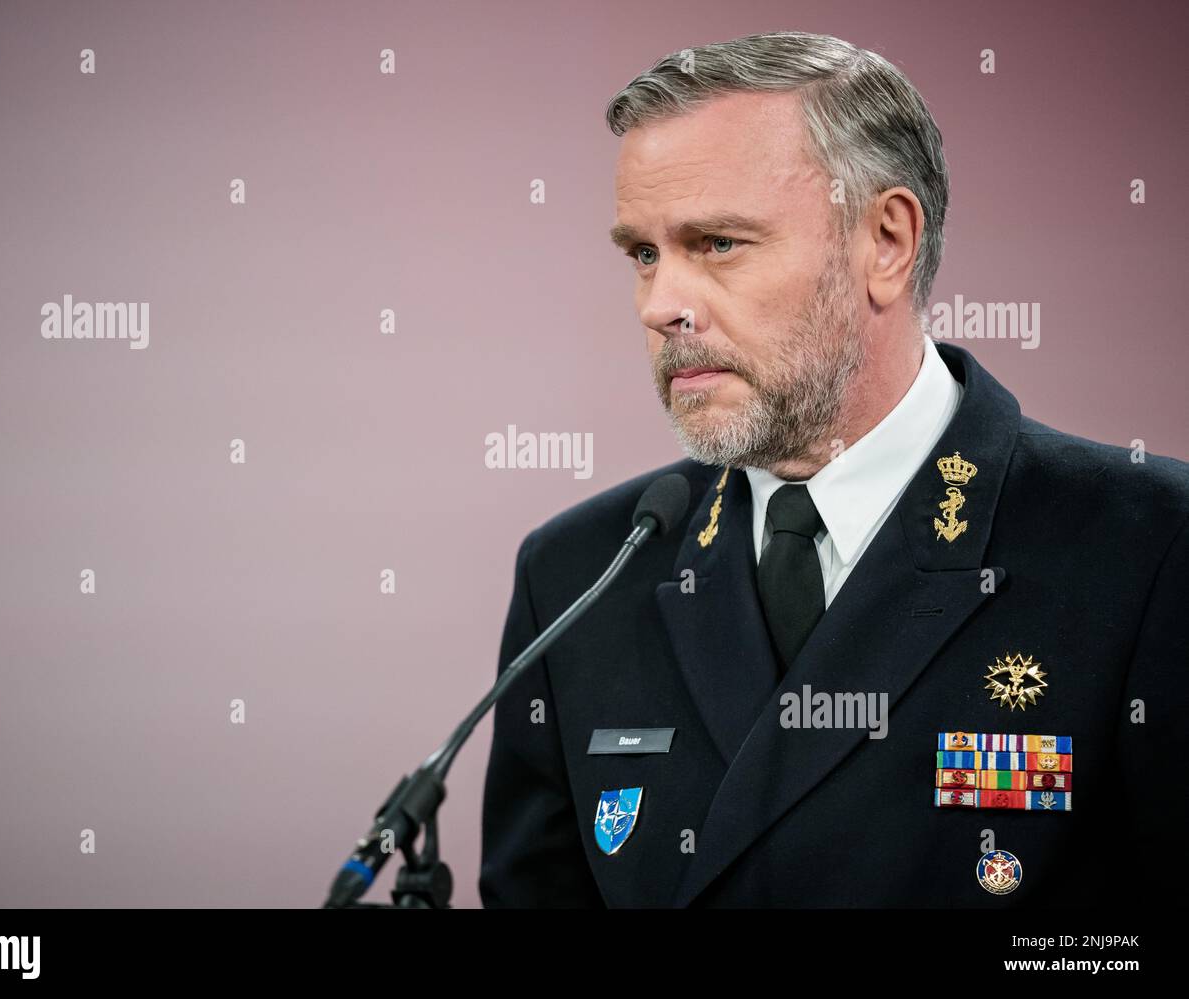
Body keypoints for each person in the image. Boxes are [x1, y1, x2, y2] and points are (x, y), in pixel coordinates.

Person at [478, 31, 1188, 907]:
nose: (662, 305)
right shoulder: (579, 575)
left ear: (886, 242)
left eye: (719, 243)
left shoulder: (1153, 544)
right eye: (644, 253)